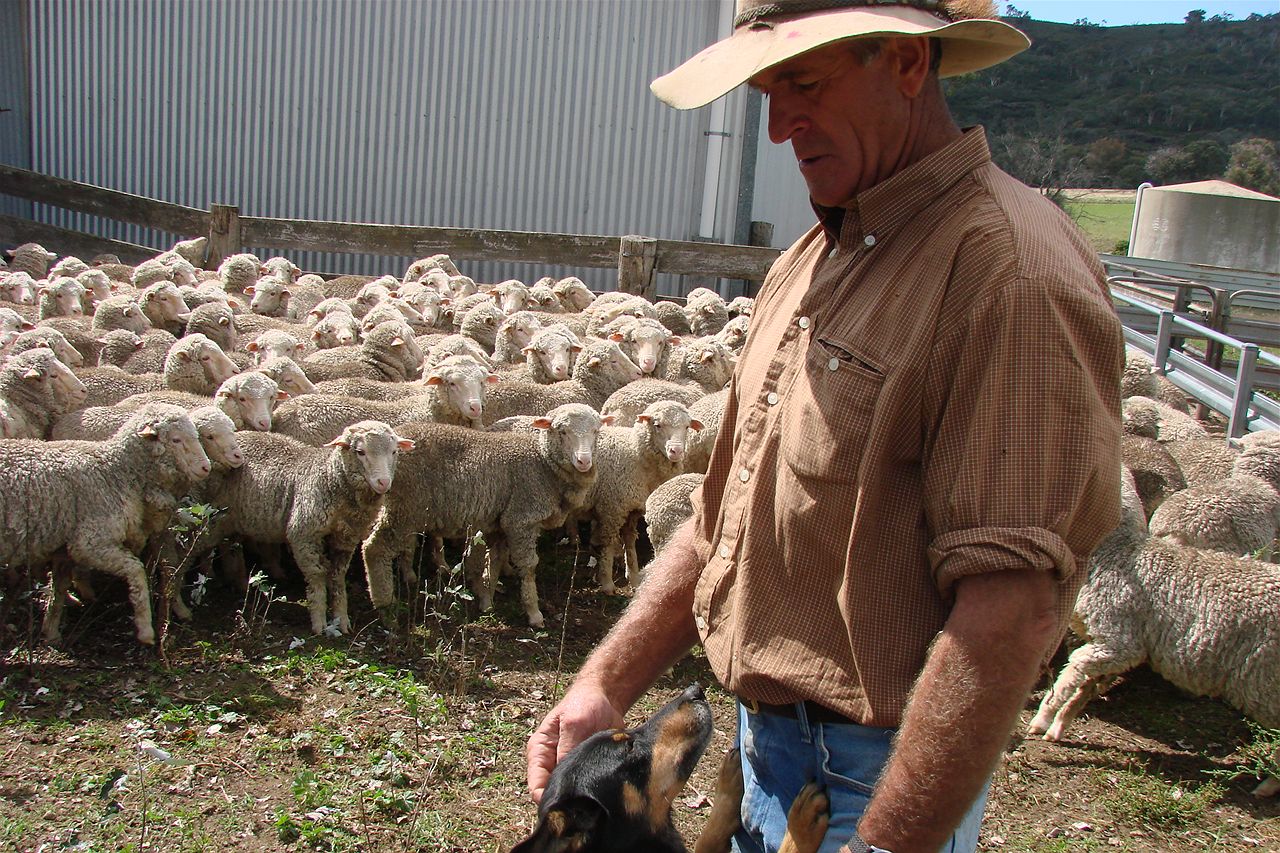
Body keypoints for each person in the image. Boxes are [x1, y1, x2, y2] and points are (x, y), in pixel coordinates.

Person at [526, 2, 1124, 851]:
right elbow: (721, 517)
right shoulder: (817, 256)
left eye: (803, 82)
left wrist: (882, 844)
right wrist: (604, 684)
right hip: (766, 752)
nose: (777, 128)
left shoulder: (1007, 274)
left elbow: (1013, 607)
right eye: (768, 90)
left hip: (872, 782)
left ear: (909, 64)